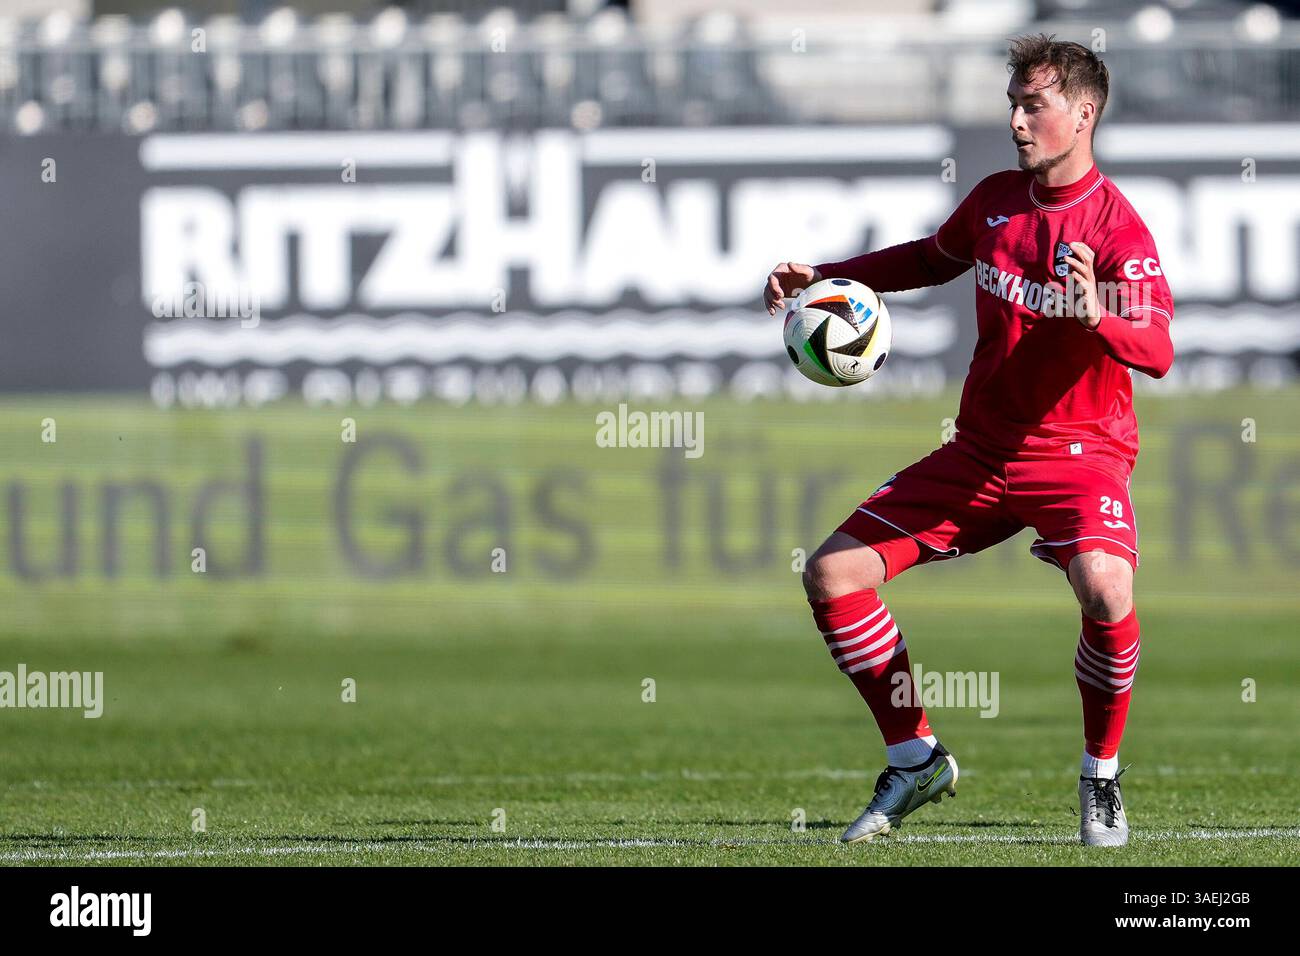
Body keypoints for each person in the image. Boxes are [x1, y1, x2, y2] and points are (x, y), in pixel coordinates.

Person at [762, 34, 1174, 846]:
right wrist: (831, 277)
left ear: (1083, 113)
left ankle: (1101, 775)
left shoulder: (1118, 230)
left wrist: (1097, 314)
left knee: (1106, 590)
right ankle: (915, 756)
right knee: (833, 574)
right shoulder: (994, 199)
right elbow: (930, 257)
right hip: (982, 451)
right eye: (1014, 104)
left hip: (1080, 454)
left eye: (1035, 105)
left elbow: (1158, 350)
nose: (1018, 121)